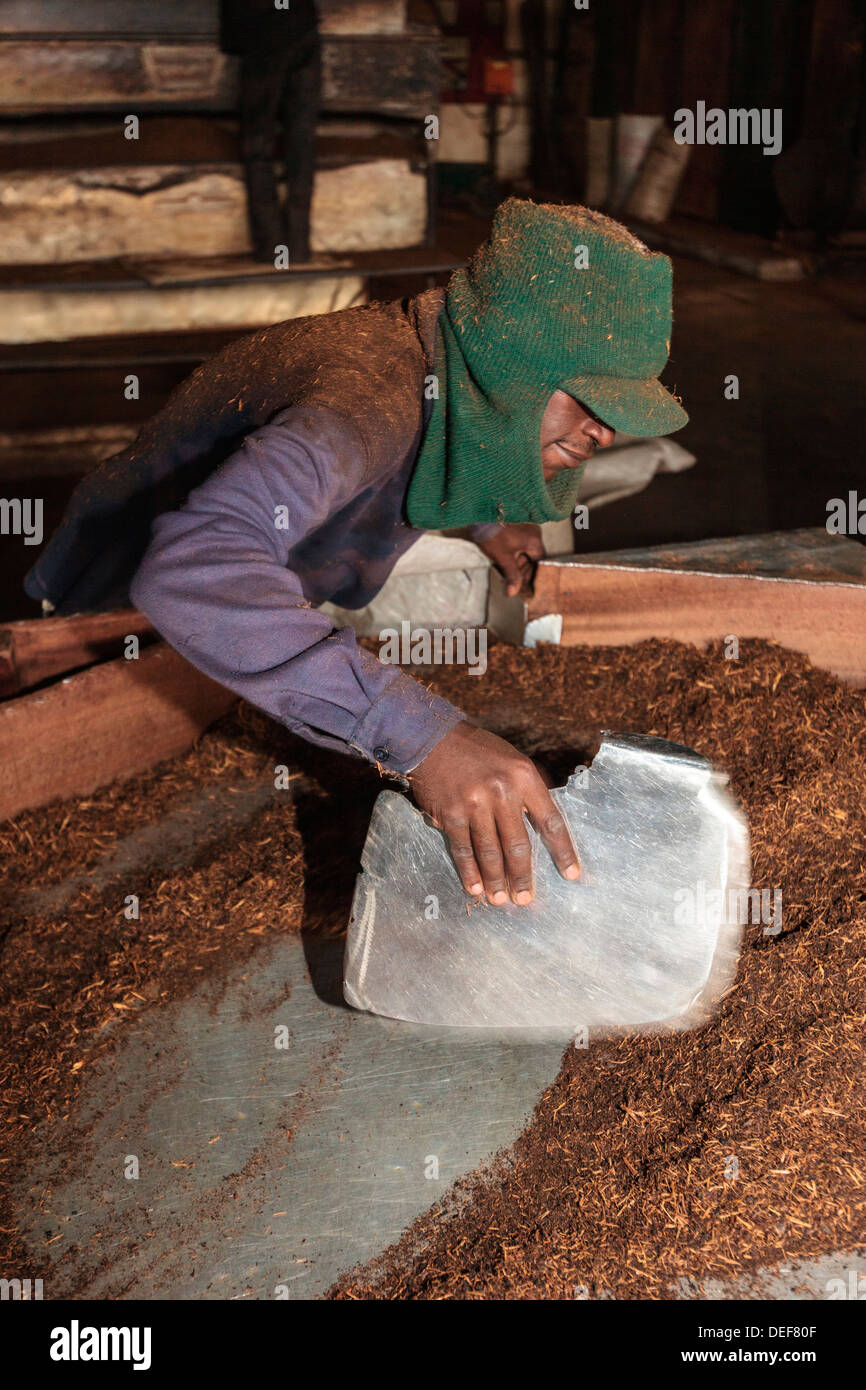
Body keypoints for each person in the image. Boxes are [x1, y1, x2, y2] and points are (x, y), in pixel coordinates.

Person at [25, 200, 687, 907]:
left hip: (247, 606)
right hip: (131, 623)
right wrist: (424, 737)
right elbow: (195, 567)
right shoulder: (359, 405)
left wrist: (483, 522)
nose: (607, 435)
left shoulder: (438, 357)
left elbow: (434, 448)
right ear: (511, 364)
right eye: (591, 402)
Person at [219, 0, 320, 261]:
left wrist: (233, 42)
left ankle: (271, 248)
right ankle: (298, 247)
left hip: (262, 39)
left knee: (258, 146)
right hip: (304, 31)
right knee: (302, 144)